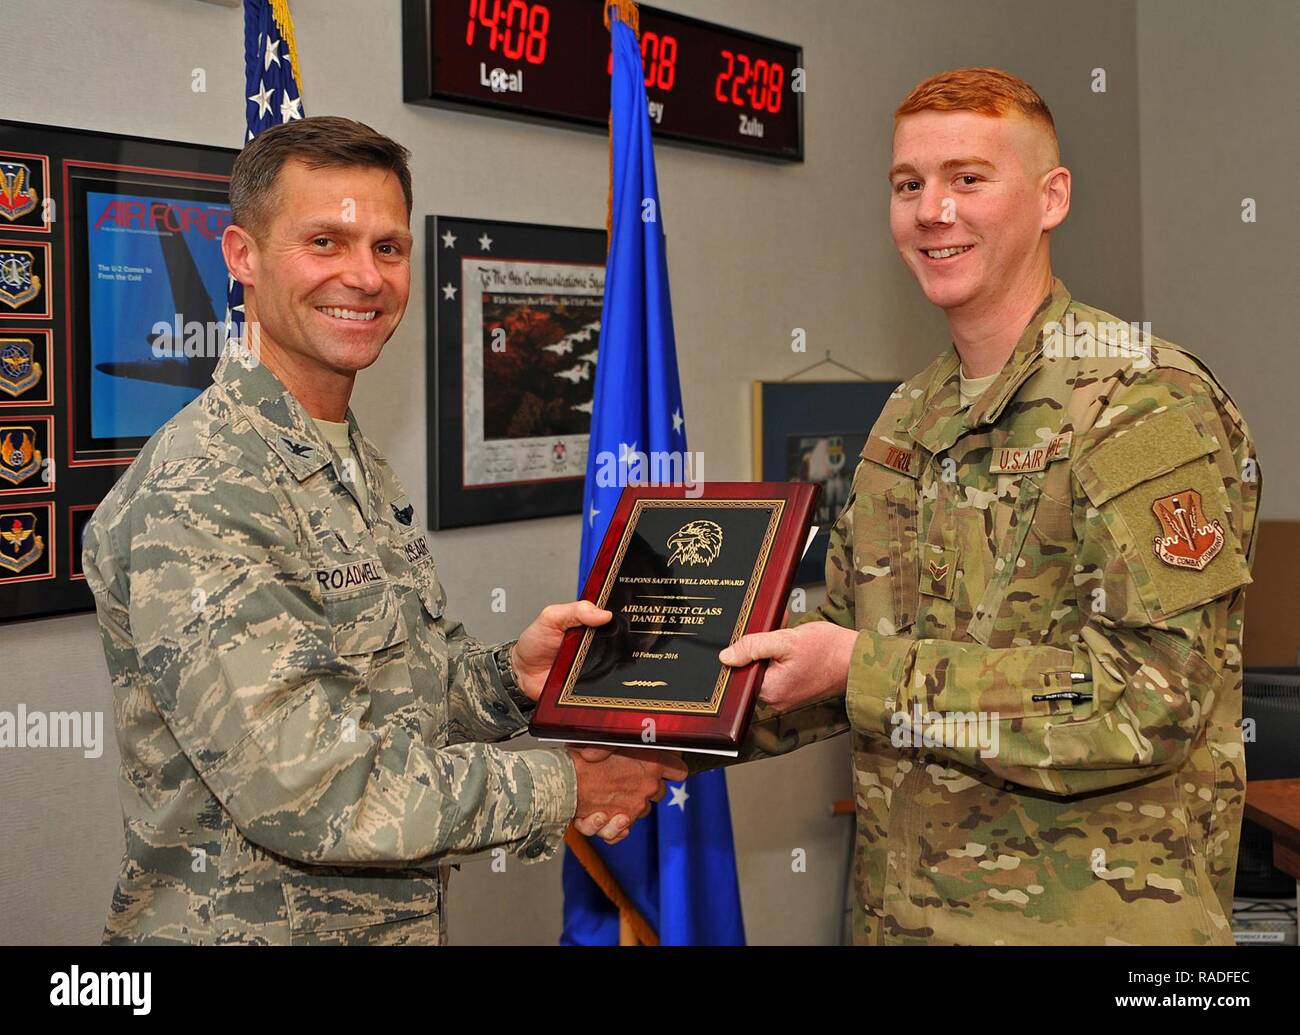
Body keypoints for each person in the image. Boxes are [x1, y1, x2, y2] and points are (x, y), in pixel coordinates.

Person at [83, 116, 684, 945]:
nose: (363, 276)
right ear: (241, 256)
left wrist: (512, 675)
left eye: (389, 248)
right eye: (325, 241)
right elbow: (311, 786)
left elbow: (392, 704)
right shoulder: (205, 486)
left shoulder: (348, 457)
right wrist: (569, 785)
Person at [713, 68, 1260, 945]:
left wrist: (861, 669)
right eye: (908, 184)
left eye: (968, 178)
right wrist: (663, 722)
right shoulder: (907, 416)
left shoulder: (1144, 400)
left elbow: (1149, 701)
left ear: (1052, 198)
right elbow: (842, 652)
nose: (933, 210)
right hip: (897, 920)